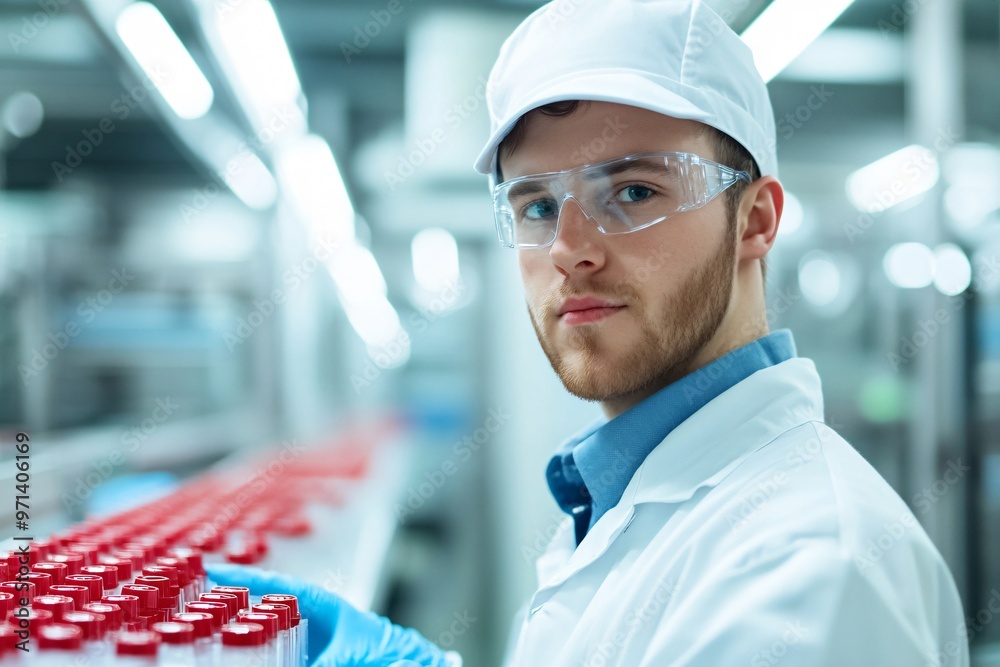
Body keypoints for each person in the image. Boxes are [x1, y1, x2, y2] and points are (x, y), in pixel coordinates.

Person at [209, 0, 971, 665]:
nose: (571, 248)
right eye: (537, 206)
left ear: (757, 221)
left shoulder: (809, 575)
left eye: (634, 191)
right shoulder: (628, 496)